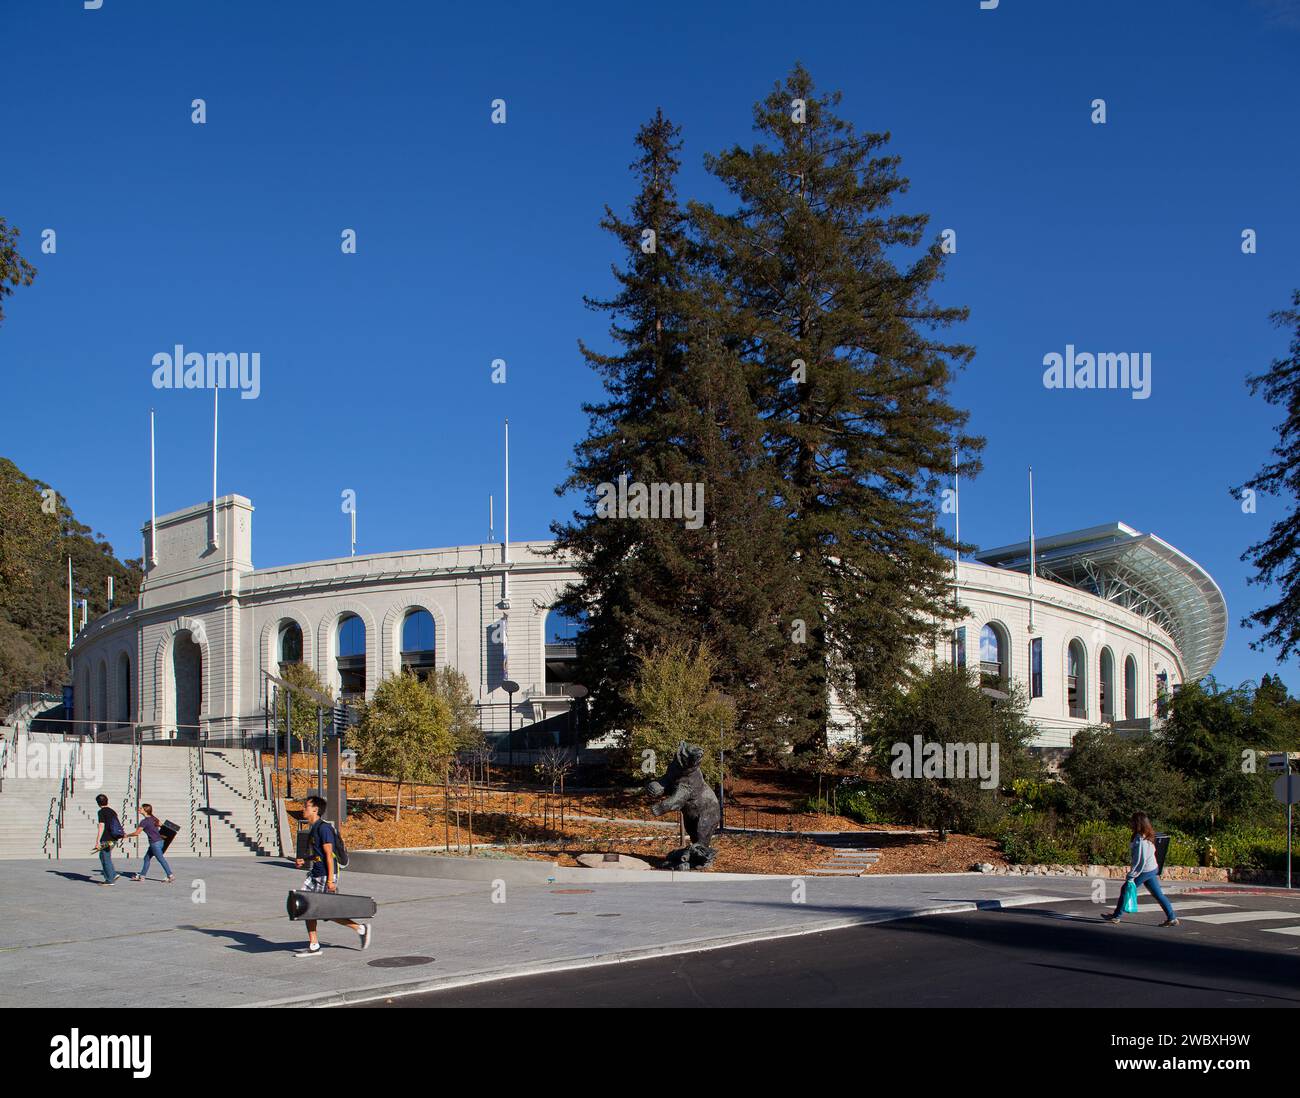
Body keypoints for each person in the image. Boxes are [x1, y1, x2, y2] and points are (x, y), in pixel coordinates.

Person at [293, 795, 371, 957]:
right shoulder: (314, 828)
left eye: (306, 806)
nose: (303, 809)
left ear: (315, 809)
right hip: (315, 873)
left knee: (326, 911)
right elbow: (318, 854)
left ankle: (360, 928)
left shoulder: (324, 828)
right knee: (305, 906)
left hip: (325, 875)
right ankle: (314, 945)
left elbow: (329, 855)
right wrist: (305, 859)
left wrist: (330, 880)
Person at [1102, 812, 1178, 927]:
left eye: (1132, 821)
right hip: (1151, 869)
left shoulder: (1141, 839)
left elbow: (1140, 860)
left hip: (1144, 870)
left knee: (1126, 889)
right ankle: (1172, 918)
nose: (1130, 823)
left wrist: (1132, 875)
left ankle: (1116, 916)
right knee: (1158, 894)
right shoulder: (1147, 836)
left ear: (1137, 823)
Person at [128, 804, 176, 883]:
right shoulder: (154, 818)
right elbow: (163, 826)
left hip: (154, 843)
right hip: (160, 841)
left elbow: (137, 833)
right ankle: (142, 876)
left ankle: (170, 875)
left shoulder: (144, 822)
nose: (139, 809)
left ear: (145, 810)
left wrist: (126, 835)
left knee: (161, 859)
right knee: (146, 858)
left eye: (141, 808)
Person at [92, 793, 123, 886]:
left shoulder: (101, 812)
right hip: (114, 838)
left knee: (105, 858)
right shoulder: (112, 811)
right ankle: (113, 874)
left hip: (106, 838)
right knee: (104, 856)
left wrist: (97, 841)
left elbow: (101, 826)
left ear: (98, 803)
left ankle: (110, 880)